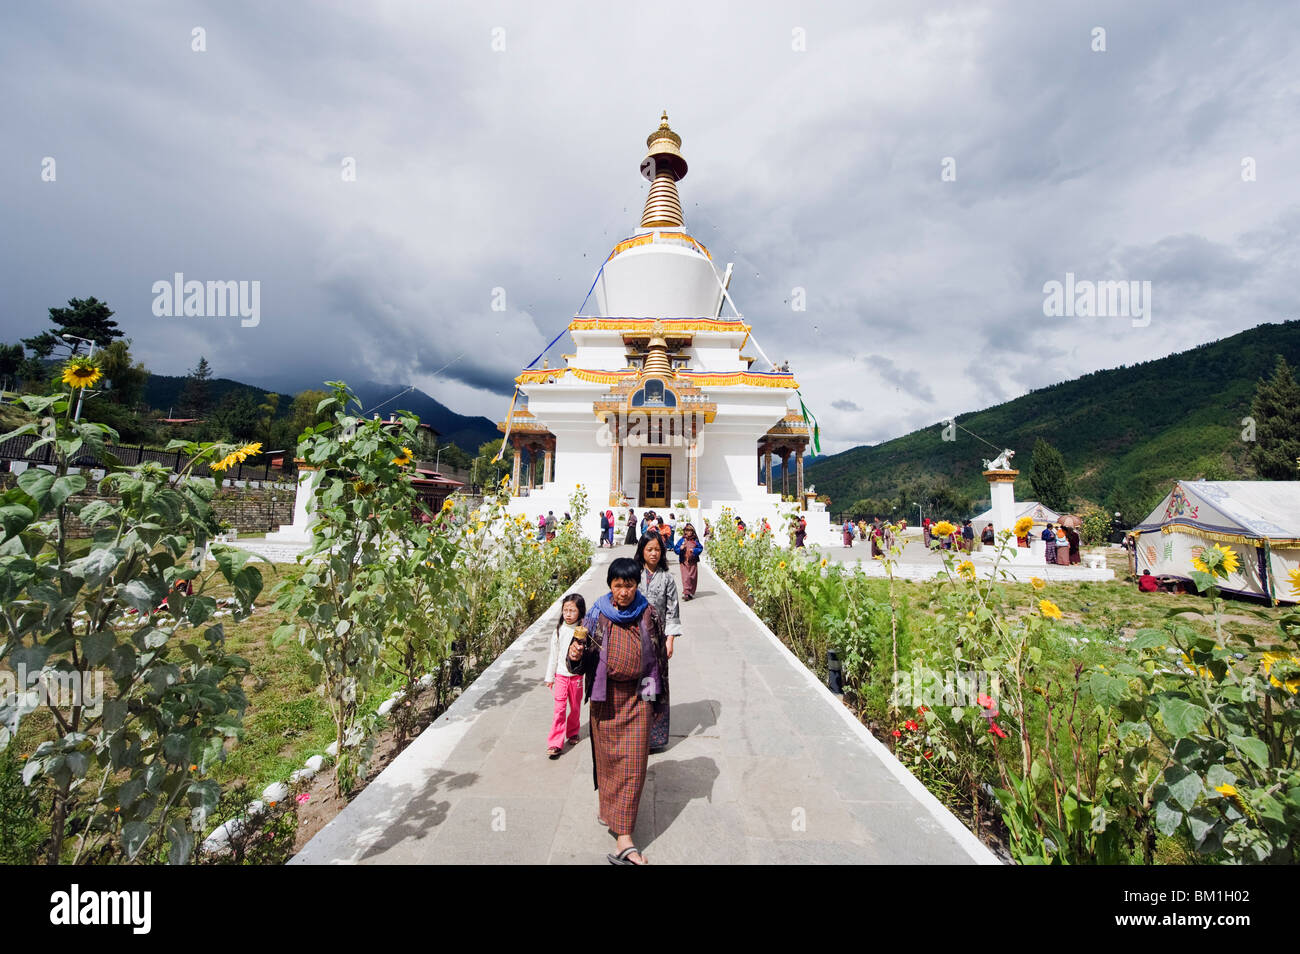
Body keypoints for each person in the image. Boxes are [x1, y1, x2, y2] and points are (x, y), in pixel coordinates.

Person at [568, 557, 668, 865]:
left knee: (635, 765)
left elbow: (659, 661)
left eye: (629, 585)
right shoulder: (596, 616)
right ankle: (609, 810)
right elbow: (578, 662)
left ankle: (624, 838)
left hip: (638, 699)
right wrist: (574, 654)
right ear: (609, 585)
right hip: (605, 697)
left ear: (637, 585)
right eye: (617, 585)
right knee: (609, 762)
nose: (623, 592)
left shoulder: (649, 614)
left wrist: (656, 703)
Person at [635, 532, 681, 751]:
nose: (653, 553)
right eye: (649, 549)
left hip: (658, 639)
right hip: (634, 636)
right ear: (642, 551)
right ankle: (634, 729)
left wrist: (670, 639)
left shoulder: (668, 578)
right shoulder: (634, 574)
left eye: (657, 549)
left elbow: (673, 610)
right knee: (634, 682)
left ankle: (654, 735)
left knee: (655, 683)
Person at [544, 593, 587, 757]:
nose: (568, 614)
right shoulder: (558, 631)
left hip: (576, 677)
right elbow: (553, 655)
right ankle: (555, 742)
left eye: (572, 611)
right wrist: (550, 677)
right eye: (565, 610)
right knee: (559, 709)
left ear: (580, 612)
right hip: (561, 676)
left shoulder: (582, 631)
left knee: (575, 707)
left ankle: (573, 731)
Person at [674, 522, 703, 601]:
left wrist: (694, 550)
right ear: (685, 531)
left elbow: (700, 548)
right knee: (686, 577)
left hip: (693, 562)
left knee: (692, 577)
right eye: (687, 530)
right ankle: (686, 592)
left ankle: (691, 592)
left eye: (690, 530)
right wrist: (680, 548)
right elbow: (675, 549)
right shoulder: (682, 540)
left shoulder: (695, 540)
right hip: (684, 562)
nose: (689, 532)